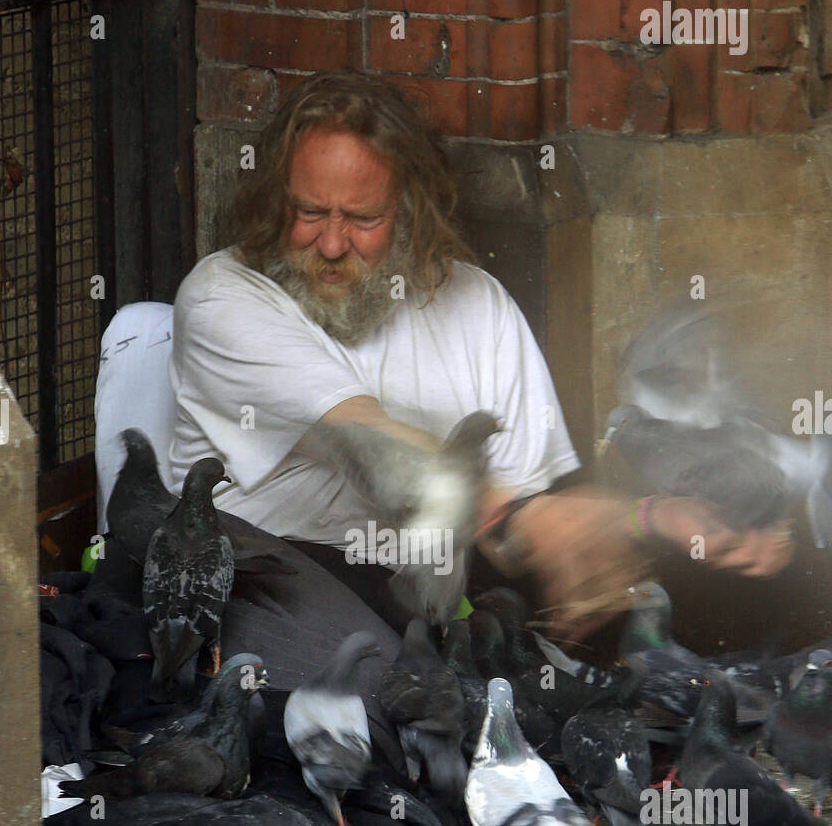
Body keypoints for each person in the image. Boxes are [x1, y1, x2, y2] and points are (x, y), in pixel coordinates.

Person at [169, 71, 793, 642]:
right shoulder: (221, 299)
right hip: (258, 578)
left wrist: (657, 517)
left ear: (409, 210)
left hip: (415, 600)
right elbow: (372, 445)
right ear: (278, 201)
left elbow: (518, 528)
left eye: (363, 218)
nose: (331, 243)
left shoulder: (476, 305)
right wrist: (541, 519)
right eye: (309, 212)